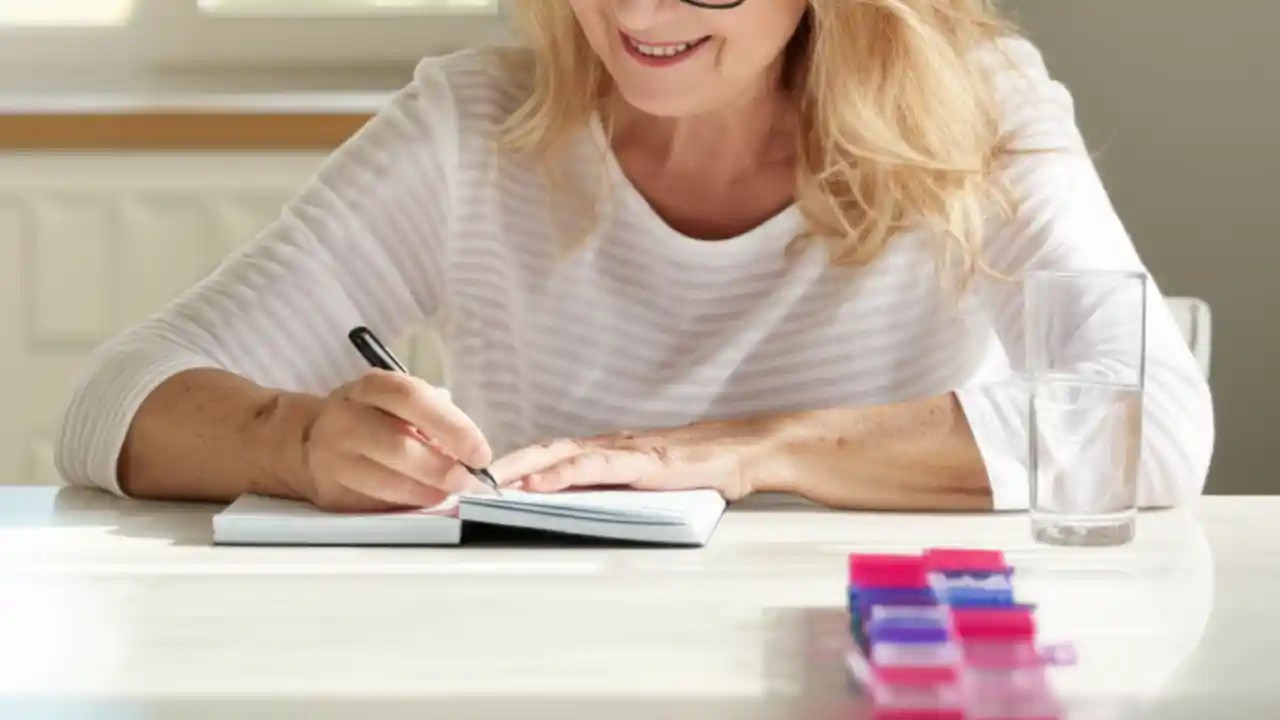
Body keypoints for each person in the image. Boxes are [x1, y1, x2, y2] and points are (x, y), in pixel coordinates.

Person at [55, 0, 1213, 513]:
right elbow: (112, 405)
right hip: (565, 668)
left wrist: (741, 453)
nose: (641, 13)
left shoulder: (974, 110)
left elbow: (1150, 419)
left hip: (871, 666)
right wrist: (303, 443)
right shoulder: (473, 130)